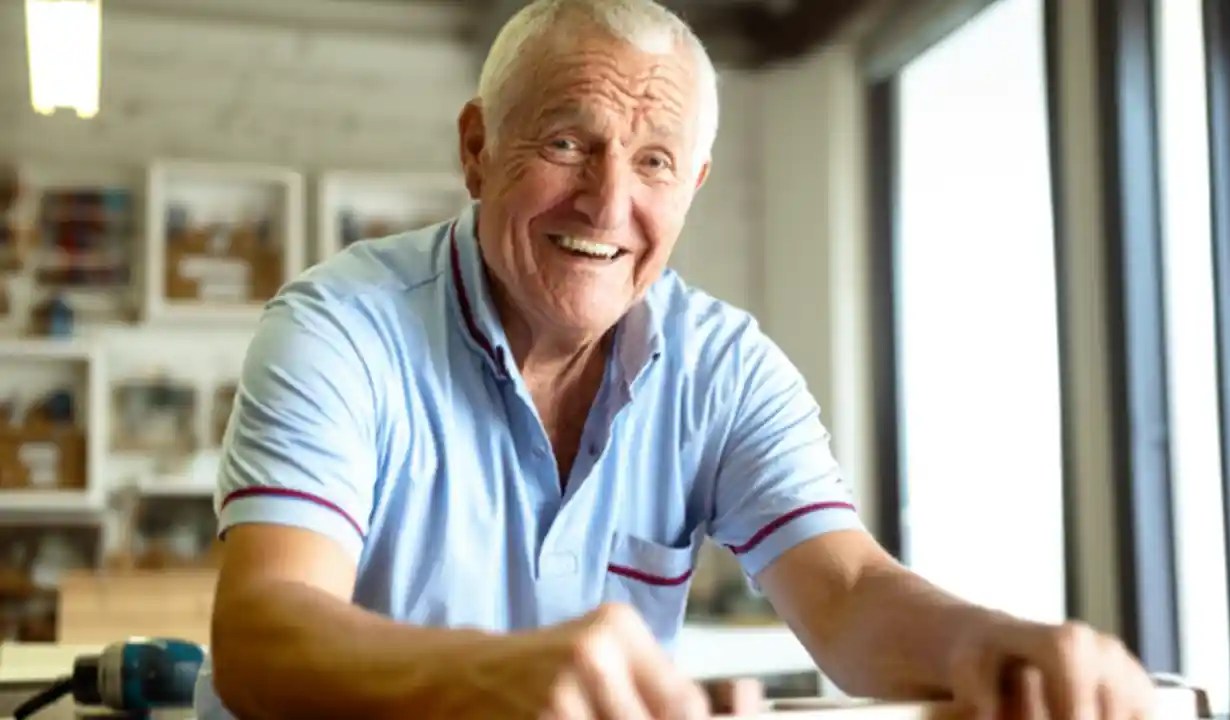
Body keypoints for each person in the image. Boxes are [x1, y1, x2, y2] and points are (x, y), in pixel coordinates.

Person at [195, 0, 1156, 718]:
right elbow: (262, 631)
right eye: (569, 142)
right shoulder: (339, 329)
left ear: (692, 186)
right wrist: (487, 671)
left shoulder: (728, 369)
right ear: (478, 148)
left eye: (654, 161)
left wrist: (988, 644)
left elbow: (850, 594)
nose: (608, 204)